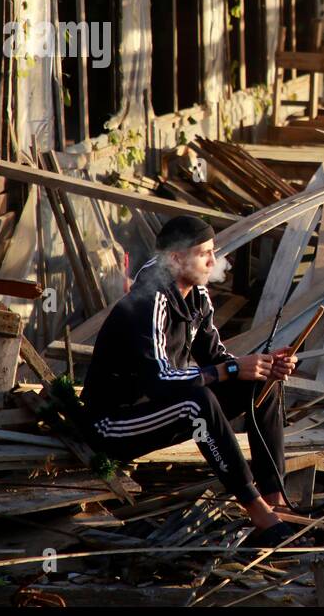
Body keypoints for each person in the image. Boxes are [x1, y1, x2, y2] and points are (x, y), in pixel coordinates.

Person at [82, 216, 302, 545]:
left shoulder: (196, 295)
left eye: (214, 252)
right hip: (114, 425)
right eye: (204, 254)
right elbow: (160, 380)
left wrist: (262, 366)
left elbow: (216, 358)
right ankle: (257, 512)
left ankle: (275, 500)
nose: (214, 262)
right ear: (176, 258)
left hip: (160, 409)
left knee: (262, 386)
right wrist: (231, 370)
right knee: (197, 402)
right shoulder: (148, 302)